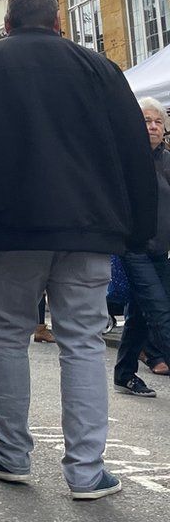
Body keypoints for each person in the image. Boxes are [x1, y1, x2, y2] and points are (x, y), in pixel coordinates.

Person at [0, 0, 156, 502]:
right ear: (59, 24)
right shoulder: (100, 69)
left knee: (7, 335)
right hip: (87, 228)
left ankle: (11, 454)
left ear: (8, 24)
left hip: (12, 228)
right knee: (81, 343)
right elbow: (133, 152)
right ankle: (86, 472)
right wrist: (137, 231)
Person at [112, 97, 170, 398]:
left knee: (139, 313)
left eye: (158, 122)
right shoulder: (126, 160)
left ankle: (124, 374)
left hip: (160, 250)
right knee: (161, 311)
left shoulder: (167, 160)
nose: (153, 127)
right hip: (134, 248)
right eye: (147, 121)